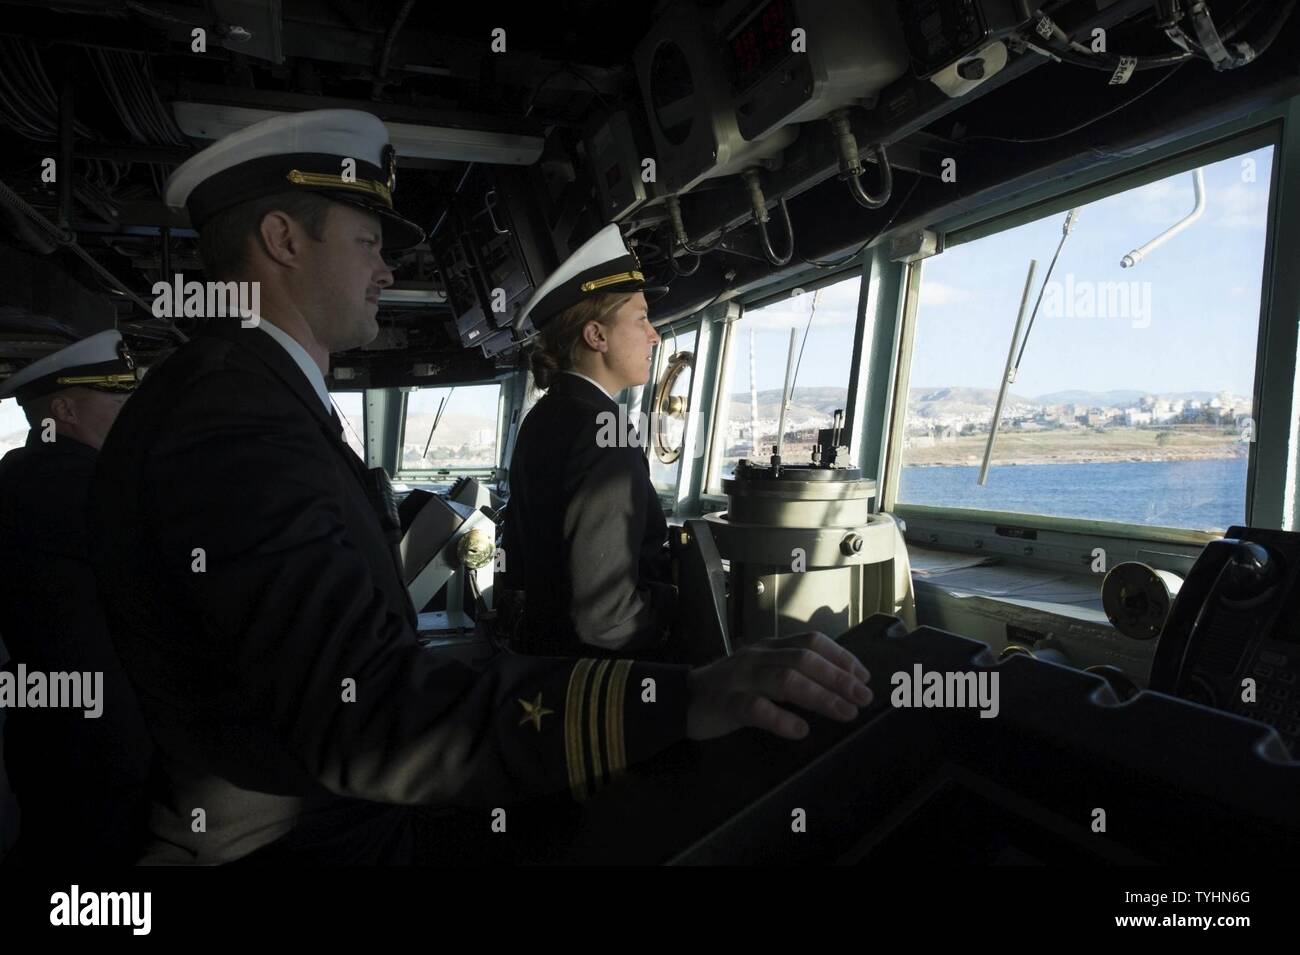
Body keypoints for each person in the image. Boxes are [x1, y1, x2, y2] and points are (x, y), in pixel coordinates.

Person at [89, 108, 873, 864]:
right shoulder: (230, 417)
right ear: (282, 240)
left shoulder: (246, 397)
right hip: (301, 841)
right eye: (367, 240)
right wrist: (684, 697)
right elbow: (361, 712)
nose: (386, 269)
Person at [0, 329, 151, 864]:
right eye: (118, 397)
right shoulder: (75, 487)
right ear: (63, 409)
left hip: (57, 735)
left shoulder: (25, 475)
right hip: (105, 748)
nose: (132, 411)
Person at [501, 224, 677, 658]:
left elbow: (520, 566)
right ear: (596, 336)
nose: (654, 335)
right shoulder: (606, 432)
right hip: (600, 680)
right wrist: (680, 613)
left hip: (545, 663)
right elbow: (607, 621)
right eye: (641, 319)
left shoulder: (545, 415)